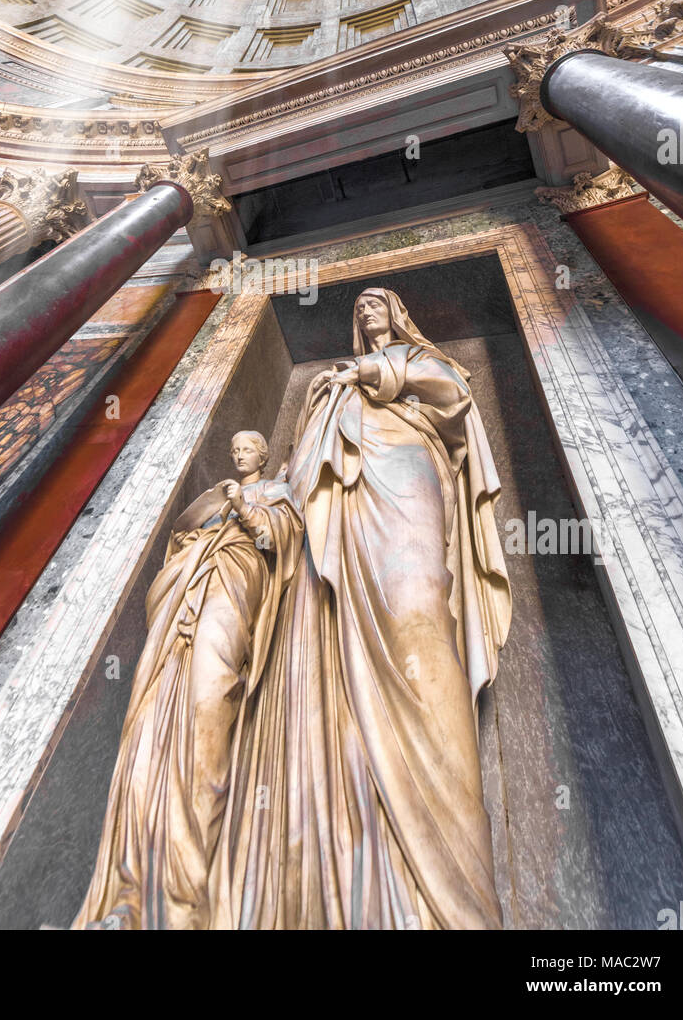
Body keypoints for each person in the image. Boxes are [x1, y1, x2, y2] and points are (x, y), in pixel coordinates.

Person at [211, 288, 511, 930]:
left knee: (419, 611)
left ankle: (453, 867)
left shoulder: (415, 361)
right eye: (361, 304)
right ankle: (354, 858)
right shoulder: (324, 390)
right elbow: (296, 481)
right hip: (333, 504)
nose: (367, 306)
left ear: (400, 313)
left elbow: (453, 396)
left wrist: (370, 371)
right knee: (322, 629)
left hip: (403, 463)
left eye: (380, 300)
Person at [74, 430, 302, 930]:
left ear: (265, 455)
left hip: (235, 580)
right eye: (235, 445)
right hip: (187, 581)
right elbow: (181, 533)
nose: (239, 452)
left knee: (212, 695)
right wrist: (200, 530)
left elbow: (276, 539)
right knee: (152, 714)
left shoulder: (276, 491)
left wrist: (242, 508)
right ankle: (131, 886)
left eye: (248, 446)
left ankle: (188, 890)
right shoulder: (215, 498)